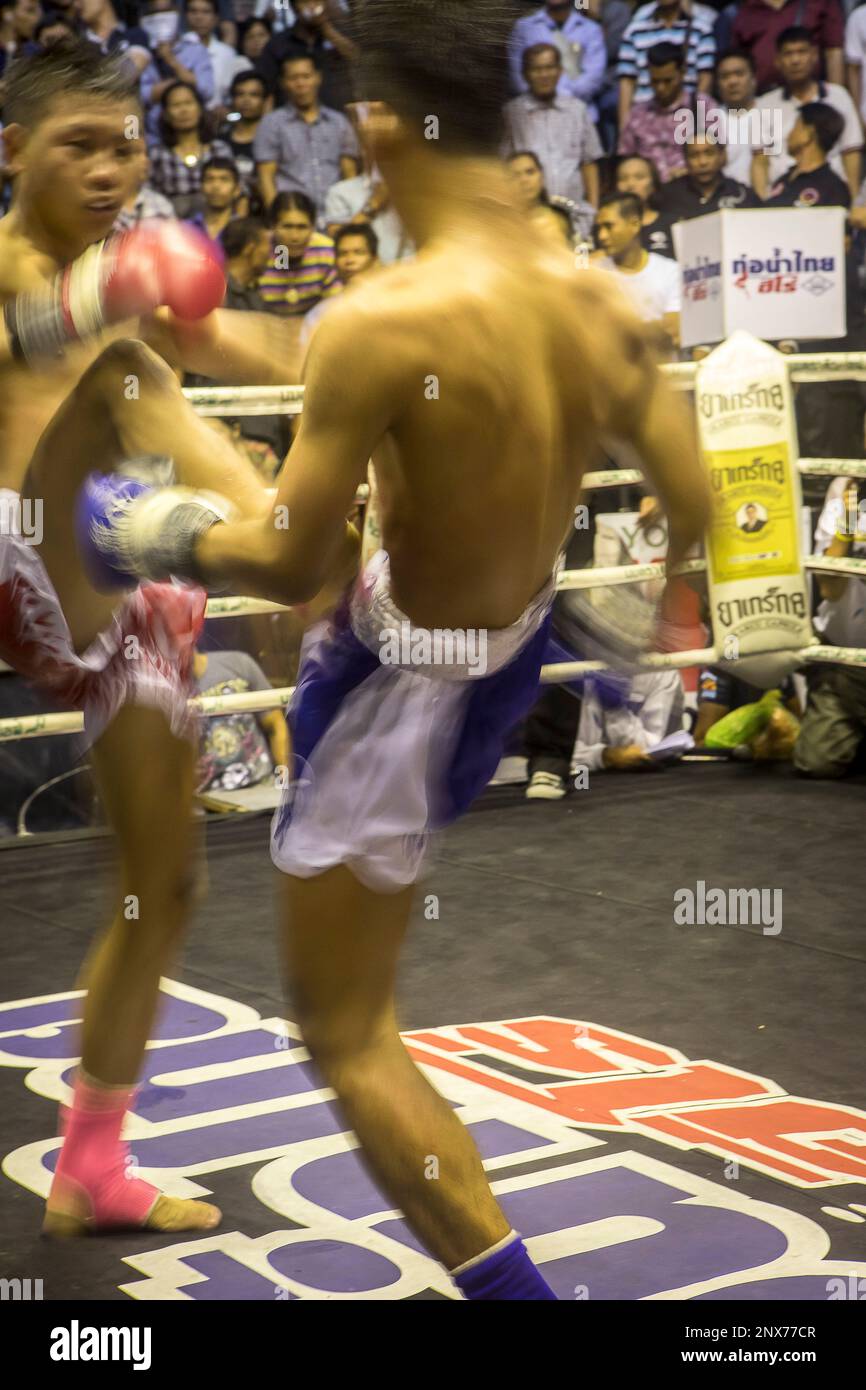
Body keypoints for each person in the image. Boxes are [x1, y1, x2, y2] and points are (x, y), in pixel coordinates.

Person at [76, 0, 712, 1300]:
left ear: (379, 119)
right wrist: (677, 609)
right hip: (504, 652)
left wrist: (154, 531)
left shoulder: (392, 320)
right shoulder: (590, 294)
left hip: (399, 695)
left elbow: (294, 565)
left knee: (346, 1031)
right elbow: (690, 490)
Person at [0, 40, 307, 1235]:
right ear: (14, 149)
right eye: (78, 144)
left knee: (162, 886)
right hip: (14, 540)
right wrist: (107, 298)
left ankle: (92, 1160)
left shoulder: (131, 271)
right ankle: (285, 555)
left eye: (123, 146)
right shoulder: (34, 272)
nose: (108, 168)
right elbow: (26, 335)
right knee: (128, 362)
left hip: (95, 583)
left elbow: (243, 342)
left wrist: (367, 344)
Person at [794, 478, 866, 777]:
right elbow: (829, 589)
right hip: (844, 662)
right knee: (815, 761)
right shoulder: (845, 487)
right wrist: (848, 524)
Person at [752, 26, 862, 201]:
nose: (795, 60)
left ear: (814, 56)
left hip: (832, 197)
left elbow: (851, 152)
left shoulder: (838, 96)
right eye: (788, 54)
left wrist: (854, 200)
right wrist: (762, 204)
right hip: (782, 198)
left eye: (802, 52)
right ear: (778, 61)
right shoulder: (764, 104)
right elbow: (760, 161)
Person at [254, 51, 359, 215]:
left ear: (318, 78)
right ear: (283, 82)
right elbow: (266, 177)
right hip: (292, 217)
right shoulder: (271, 123)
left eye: (306, 76)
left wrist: (351, 214)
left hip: (336, 214)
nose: (301, 83)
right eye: (293, 78)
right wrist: (276, 218)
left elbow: (349, 173)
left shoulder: (339, 122)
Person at [501, 42, 602, 208]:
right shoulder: (512, 114)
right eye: (536, 69)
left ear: (560, 71)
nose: (544, 75)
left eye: (549, 67)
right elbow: (504, 165)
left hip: (574, 211)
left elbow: (589, 163)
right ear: (525, 74)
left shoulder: (577, 110)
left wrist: (593, 208)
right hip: (529, 212)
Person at [193, 645, 289, 793]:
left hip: (262, 787)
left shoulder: (238, 663)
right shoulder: (159, 690)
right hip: (208, 801)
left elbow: (276, 724)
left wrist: (285, 784)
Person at [594, 191, 682, 349]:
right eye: (599, 228)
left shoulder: (670, 271)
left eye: (608, 226)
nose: (602, 236)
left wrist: (621, 332)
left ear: (634, 224)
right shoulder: (593, 274)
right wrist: (653, 329)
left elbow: (673, 333)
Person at [618, 41, 712, 183]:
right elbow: (626, 159)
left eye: (668, 81)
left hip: (692, 189)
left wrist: (690, 171)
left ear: (682, 73)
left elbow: (719, 156)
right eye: (655, 81)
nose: (661, 88)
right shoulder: (637, 114)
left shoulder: (703, 108)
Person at [617, 0, 716, 129]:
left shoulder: (701, 30)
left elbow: (705, 79)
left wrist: (694, 120)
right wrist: (625, 129)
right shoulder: (634, 31)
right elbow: (626, 84)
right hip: (645, 119)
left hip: (686, 118)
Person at [508, 0, 607, 123]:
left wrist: (559, 100)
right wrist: (544, 100)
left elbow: (593, 79)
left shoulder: (591, 29)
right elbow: (517, 78)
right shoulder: (523, 27)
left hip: (580, 116)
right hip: (531, 116)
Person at [147, 79, 234, 217]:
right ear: (166, 114)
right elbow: (148, 196)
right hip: (171, 228)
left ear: (200, 109)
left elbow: (236, 190)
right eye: (176, 105)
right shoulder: (157, 154)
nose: (184, 110)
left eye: (188, 103)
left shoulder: (219, 149)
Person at [254, 0, 357, 113]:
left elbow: (354, 57)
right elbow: (267, 91)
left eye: (317, 1)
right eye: (305, 2)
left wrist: (325, 28)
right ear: (294, 7)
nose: (312, 7)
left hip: (334, 118)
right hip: (290, 122)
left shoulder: (337, 38)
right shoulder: (277, 44)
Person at [732, 0, 844, 95]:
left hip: (812, 97)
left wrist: (834, 96)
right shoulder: (744, 10)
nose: (795, 59)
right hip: (763, 99)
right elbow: (739, 63)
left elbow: (833, 52)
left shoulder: (819, 3)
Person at [258, 189, 341, 314]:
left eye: (302, 227)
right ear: (272, 226)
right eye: (287, 227)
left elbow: (334, 307)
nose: (295, 237)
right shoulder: (257, 251)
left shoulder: (326, 251)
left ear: (313, 227)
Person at [139, 0, 215, 135]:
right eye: (155, 13)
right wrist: (180, 82)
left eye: (166, 13)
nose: (161, 19)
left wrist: (171, 60)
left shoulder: (195, 49)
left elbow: (206, 91)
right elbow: (139, 96)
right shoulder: (140, 53)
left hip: (193, 132)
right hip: (153, 132)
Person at [764, 100, 850, 207]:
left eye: (796, 127)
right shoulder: (782, 180)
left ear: (808, 133)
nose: (788, 135)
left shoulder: (833, 189)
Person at [658, 133, 758, 222]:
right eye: (694, 155)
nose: (703, 162)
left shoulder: (742, 194)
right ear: (685, 159)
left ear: (721, 155)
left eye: (709, 153)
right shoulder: (667, 196)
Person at [184, 0, 251, 114]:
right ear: (185, 16)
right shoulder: (174, 51)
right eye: (193, 11)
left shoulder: (227, 53)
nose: (199, 17)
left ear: (216, 18)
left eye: (206, 12)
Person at [506, 149, 577, 246]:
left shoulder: (561, 216)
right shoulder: (503, 224)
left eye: (530, 172)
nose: (524, 180)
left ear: (541, 176)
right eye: (515, 175)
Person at [711, 48, 760, 187]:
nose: (732, 82)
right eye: (725, 76)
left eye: (739, 74)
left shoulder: (771, 112)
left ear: (753, 78)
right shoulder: (710, 122)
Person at [219, 69, 268, 205]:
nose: (246, 100)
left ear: (265, 100)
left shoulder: (274, 141)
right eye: (240, 94)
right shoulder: (220, 141)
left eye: (254, 95)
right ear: (233, 99)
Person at [615, 153, 674, 258]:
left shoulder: (672, 223)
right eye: (623, 178)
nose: (630, 184)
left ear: (653, 185)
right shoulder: (610, 228)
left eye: (639, 177)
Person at [188, 153, 243, 239]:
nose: (216, 186)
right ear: (201, 188)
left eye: (224, 179)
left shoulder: (245, 232)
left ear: (237, 190)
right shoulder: (186, 230)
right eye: (209, 179)